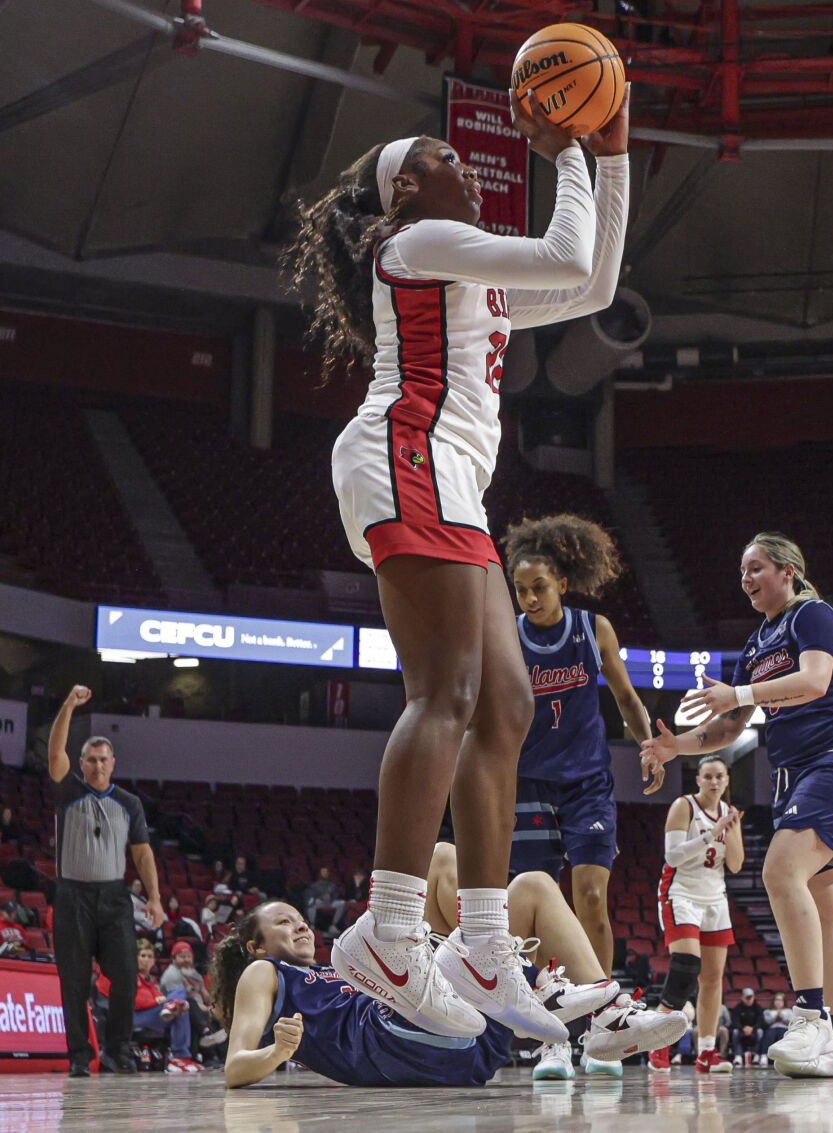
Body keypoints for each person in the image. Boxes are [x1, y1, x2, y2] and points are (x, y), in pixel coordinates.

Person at [279, 80, 631, 1041]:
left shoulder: (464, 265)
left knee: (506, 704)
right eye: (441, 156)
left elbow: (591, 278)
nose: (462, 164)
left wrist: (611, 152)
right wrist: (564, 147)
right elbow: (564, 248)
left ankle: (482, 944)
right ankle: (387, 930)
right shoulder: (415, 245)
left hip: (448, 479)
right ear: (403, 193)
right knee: (447, 694)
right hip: (407, 454)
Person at [644, 532, 833, 1079]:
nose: (746, 579)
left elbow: (817, 681)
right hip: (794, 775)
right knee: (825, 911)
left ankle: (810, 1016)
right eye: (741, 571)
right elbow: (729, 725)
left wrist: (741, 694)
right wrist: (675, 745)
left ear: (788, 571)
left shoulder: (813, 616)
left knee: (778, 871)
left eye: (756, 568)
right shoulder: (755, 644)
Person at [211, 841, 684, 1088]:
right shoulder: (266, 975)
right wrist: (276, 1053)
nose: (300, 927)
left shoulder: (340, 966)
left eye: (298, 919)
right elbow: (235, 1069)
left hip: (467, 1049)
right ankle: (552, 994)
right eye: (282, 923)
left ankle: (606, 1016)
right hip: (395, 1040)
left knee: (536, 885)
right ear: (255, 947)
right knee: (440, 858)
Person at [503, 513, 664, 982]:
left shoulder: (593, 630)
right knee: (535, 904)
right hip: (528, 782)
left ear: (563, 583)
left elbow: (625, 698)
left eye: (540, 587)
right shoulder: (509, 635)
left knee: (591, 898)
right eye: (521, 588)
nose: (530, 598)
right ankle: (549, 1021)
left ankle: (603, 1011)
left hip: (587, 783)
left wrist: (648, 745)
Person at [46, 685, 164, 1078]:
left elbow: (142, 853)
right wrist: (68, 706)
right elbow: (54, 753)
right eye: (91, 759)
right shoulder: (67, 792)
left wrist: (155, 898)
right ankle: (80, 1056)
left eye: (103, 759)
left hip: (114, 896)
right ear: (82, 763)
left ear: (114, 763)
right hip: (72, 895)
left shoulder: (129, 803)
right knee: (74, 982)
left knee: (126, 977)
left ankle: (118, 1052)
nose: (97, 766)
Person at [646, 756, 744, 1075]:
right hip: (681, 893)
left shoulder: (730, 814)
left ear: (727, 780)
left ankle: (707, 1052)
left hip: (715, 897)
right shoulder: (683, 806)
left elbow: (736, 865)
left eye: (720, 776)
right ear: (698, 780)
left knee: (713, 980)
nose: (714, 782)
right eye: (708, 776)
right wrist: (709, 834)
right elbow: (672, 856)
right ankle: (659, 1039)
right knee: (687, 966)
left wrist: (732, 830)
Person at [99, 938, 197, 1073]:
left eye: (150, 956)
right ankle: (180, 1054)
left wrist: (161, 1001)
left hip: (152, 1014)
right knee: (178, 998)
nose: (146, 959)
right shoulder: (127, 975)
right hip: (133, 1016)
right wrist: (158, 1001)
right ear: (135, 957)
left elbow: (156, 998)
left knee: (181, 1007)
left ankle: (181, 1058)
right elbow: (134, 1002)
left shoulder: (150, 980)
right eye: (142, 956)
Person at [302, 867, 347, 934]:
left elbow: (336, 895)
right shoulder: (314, 885)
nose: (325, 873)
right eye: (323, 872)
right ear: (320, 873)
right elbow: (309, 895)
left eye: (326, 872)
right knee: (311, 901)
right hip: (319, 903)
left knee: (342, 903)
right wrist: (321, 897)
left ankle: (333, 925)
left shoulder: (332, 885)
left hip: (330, 903)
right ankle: (312, 925)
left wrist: (331, 898)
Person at [732, 987, 766, 1065]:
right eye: (747, 998)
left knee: (760, 1032)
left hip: (754, 1030)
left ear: (754, 998)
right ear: (742, 998)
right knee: (735, 1032)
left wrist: (753, 1029)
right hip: (741, 1030)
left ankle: (756, 1054)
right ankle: (738, 1055)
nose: (749, 999)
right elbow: (735, 1021)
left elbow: (760, 1021)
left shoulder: (758, 1008)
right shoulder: (737, 1008)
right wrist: (742, 1028)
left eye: (750, 997)